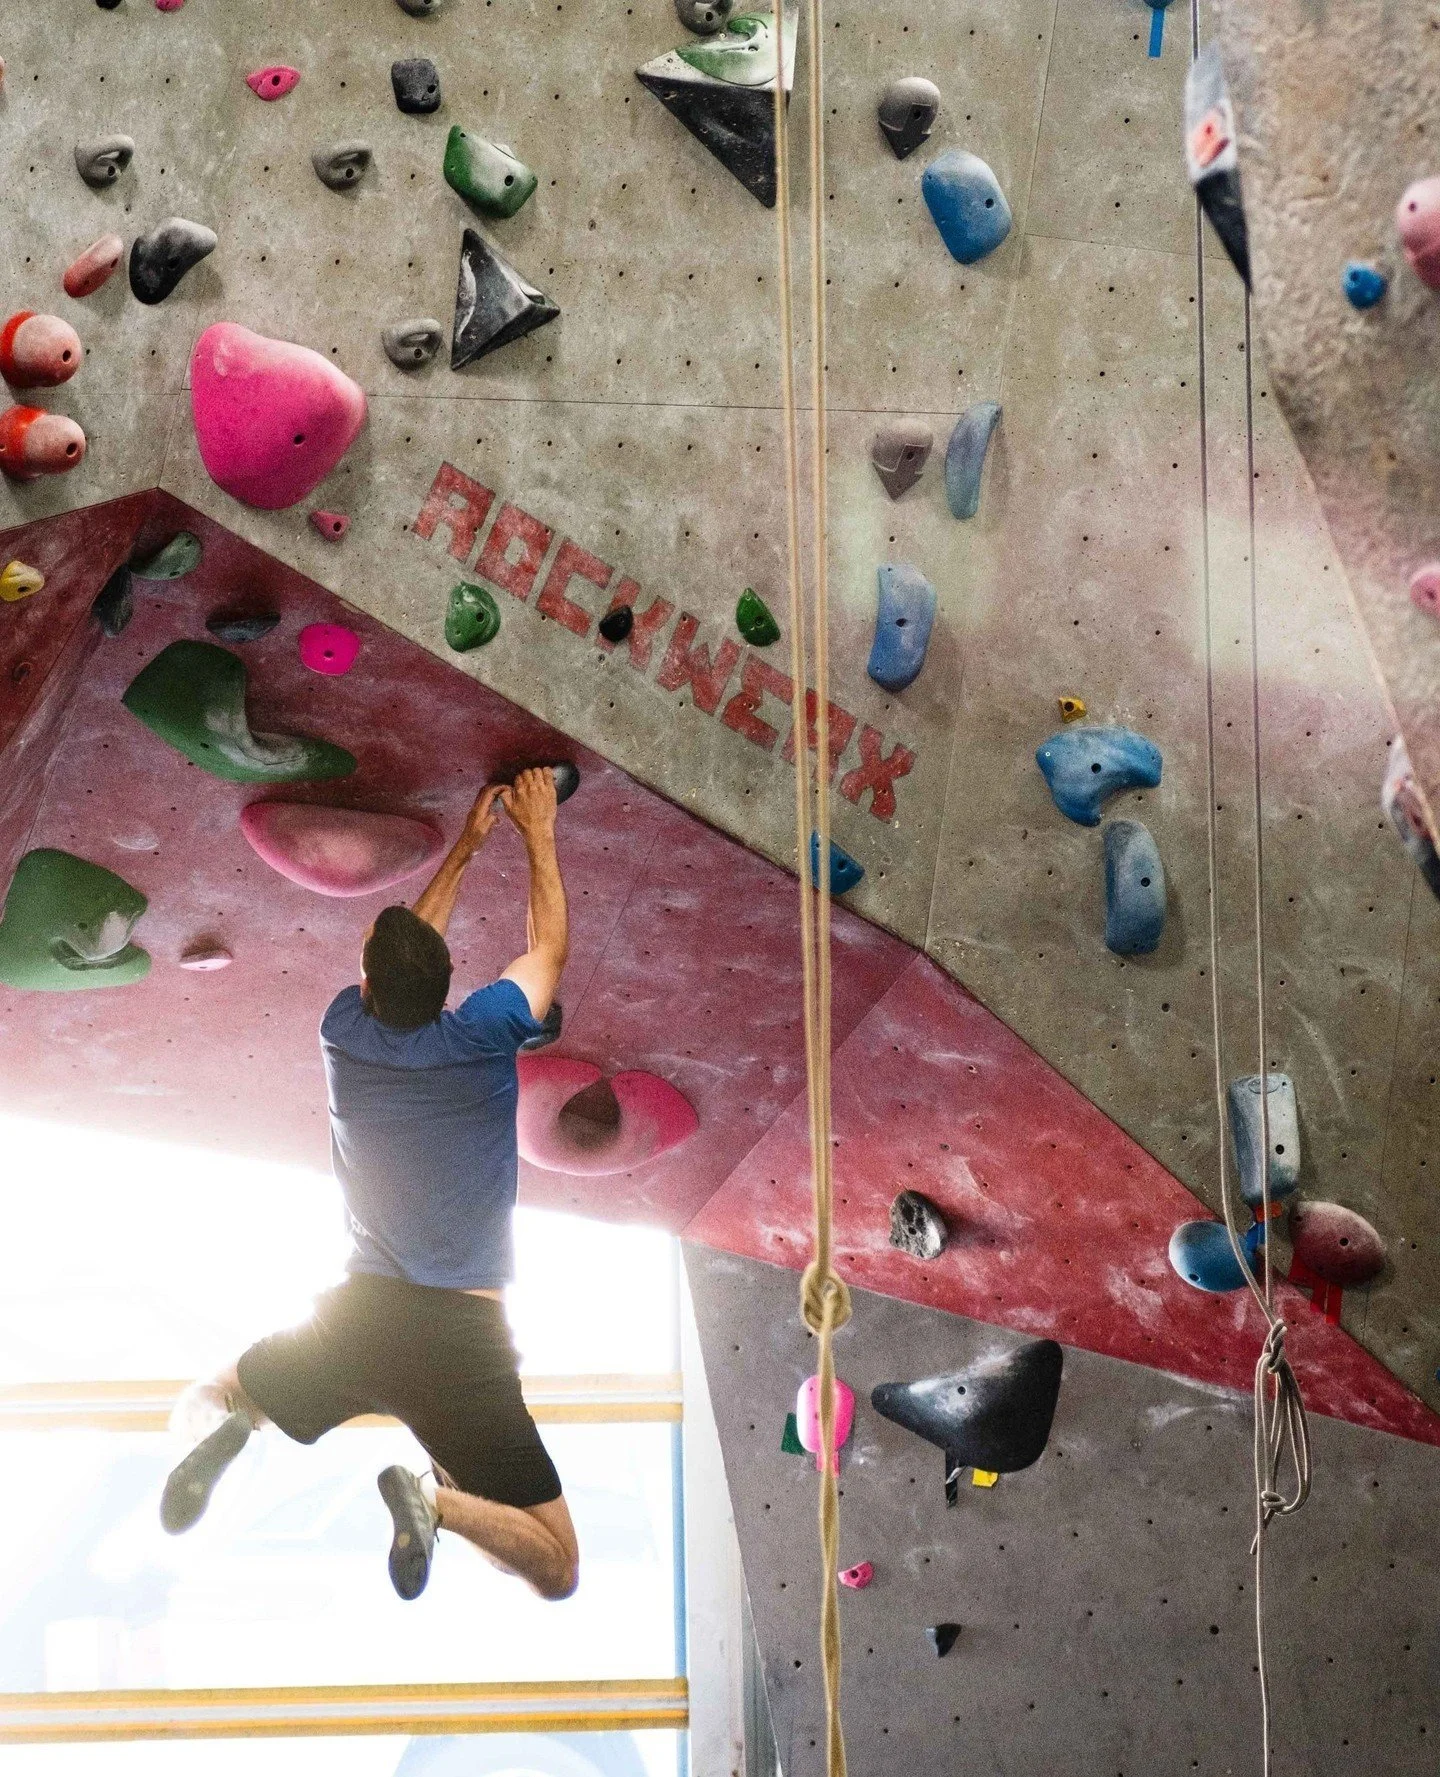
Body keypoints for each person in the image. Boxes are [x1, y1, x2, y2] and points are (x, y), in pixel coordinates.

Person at [159, 767, 579, 1605]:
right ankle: (431, 1498)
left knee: (219, 1389)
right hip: (460, 1338)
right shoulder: (485, 1031)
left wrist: (467, 843)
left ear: (367, 986)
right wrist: (537, 829)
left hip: (360, 1314)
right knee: (551, 1564)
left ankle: (226, 1429)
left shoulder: (343, 1033)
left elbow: (400, 957)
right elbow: (547, 950)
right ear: (451, 979)